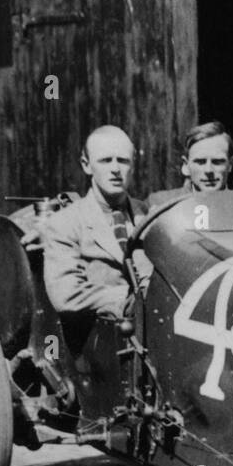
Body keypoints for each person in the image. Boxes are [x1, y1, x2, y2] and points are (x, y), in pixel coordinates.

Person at [42, 125, 152, 321]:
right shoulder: (64, 224)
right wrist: (131, 298)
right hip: (101, 342)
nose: (116, 169)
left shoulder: (149, 216)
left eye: (123, 161)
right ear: (86, 165)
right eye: (105, 160)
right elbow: (66, 295)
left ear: (133, 165)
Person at [144, 120, 233, 211]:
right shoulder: (161, 203)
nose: (208, 170)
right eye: (200, 162)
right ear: (186, 166)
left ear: (230, 164)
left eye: (217, 162)